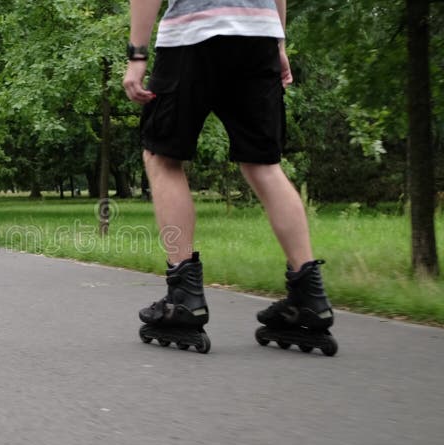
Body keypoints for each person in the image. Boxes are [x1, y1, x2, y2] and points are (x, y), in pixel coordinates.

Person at [124, 0, 336, 354]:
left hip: (193, 35)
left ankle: (184, 297)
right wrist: (279, 43)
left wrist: (137, 56)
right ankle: (309, 298)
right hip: (259, 35)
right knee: (264, 164)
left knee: (163, 157)